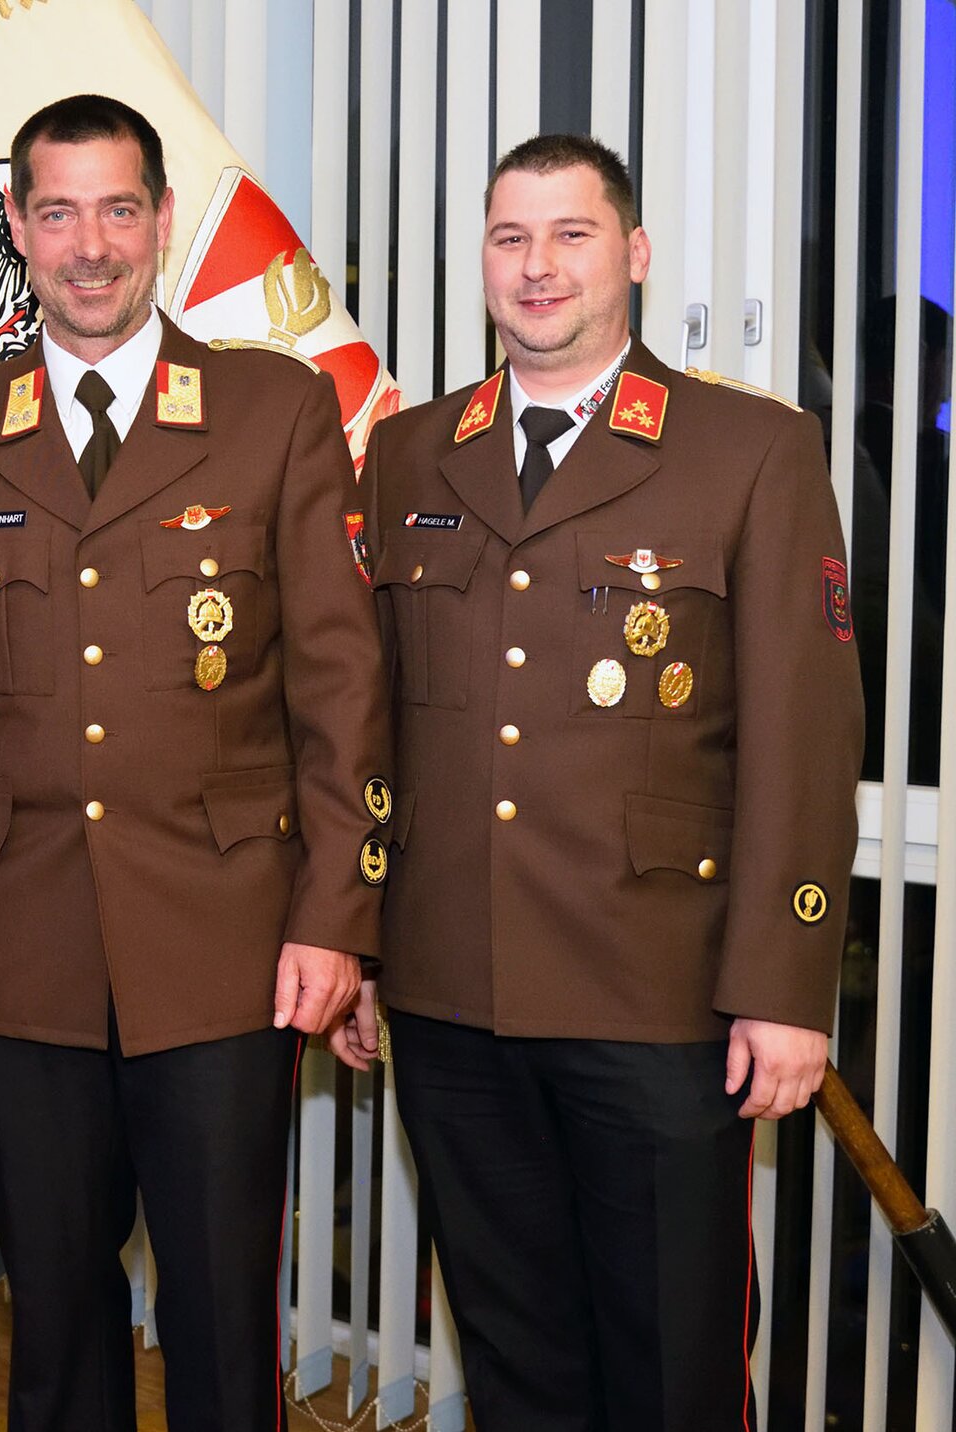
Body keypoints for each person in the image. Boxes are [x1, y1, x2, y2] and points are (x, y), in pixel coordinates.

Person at [0, 94, 390, 1432]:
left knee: (221, 1316)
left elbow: (340, 686)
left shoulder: (272, 411)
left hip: (224, 946)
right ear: (18, 234)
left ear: (160, 223)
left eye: (116, 209)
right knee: (55, 1307)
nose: (88, 244)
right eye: (56, 212)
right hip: (11, 946)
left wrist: (337, 920)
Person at [338, 133, 864, 1431]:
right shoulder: (410, 455)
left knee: (671, 1368)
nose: (538, 267)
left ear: (631, 253)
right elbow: (367, 730)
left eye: (571, 235)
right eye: (511, 238)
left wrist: (785, 993)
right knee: (516, 1362)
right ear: (483, 262)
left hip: (657, 996)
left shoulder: (748, 449)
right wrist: (354, 942)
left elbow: (803, 739)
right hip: (454, 994)